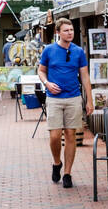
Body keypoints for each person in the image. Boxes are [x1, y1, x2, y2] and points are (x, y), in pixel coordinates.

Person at [37, 18, 93, 188]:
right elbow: (41, 71)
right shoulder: (49, 50)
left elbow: (84, 76)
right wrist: (47, 83)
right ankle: (56, 163)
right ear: (58, 32)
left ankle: (67, 173)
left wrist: (89, 100)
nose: (70, 33)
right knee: (55, 136)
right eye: (66, 30)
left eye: (71, 30)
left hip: (73, 98)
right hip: (54, 99)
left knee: (70, 135)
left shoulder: (78, 52)